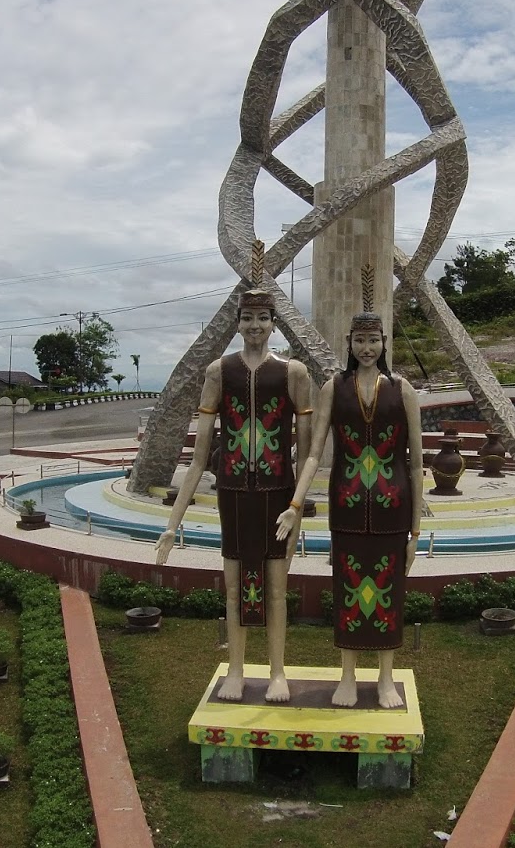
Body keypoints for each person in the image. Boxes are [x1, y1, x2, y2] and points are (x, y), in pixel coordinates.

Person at [155, 252, 313, 703]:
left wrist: (297, 505)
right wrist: (172, 524)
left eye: (264, 317)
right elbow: (201, 453)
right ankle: (239, 669)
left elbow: (306, 455)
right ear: (238, 322)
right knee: (233, 584)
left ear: (274, 323)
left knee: (278, 587)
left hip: (279, 493)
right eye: (248, 318)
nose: (256, 325)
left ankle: (277, 671)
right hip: (233, 493)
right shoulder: (217, 373)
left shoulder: (292, 373)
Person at [277, 288, 424, 709]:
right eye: (359, 341)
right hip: (345, 508)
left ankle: (385, 678)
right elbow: (312, 454)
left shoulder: (403, 390)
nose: (366, 348)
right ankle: (346, 674)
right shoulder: (332, 389)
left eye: (373, 340)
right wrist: (294, 503)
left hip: (393, 512)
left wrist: (416, 531)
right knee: (348, 588)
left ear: (384, 342)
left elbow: (414, 464)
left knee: (388, 590)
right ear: (349, 344)